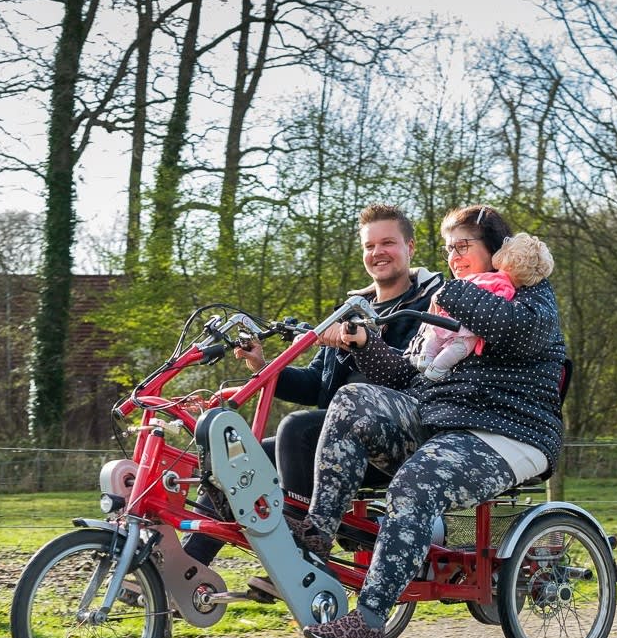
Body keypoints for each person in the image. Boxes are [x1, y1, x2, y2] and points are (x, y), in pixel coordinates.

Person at [291, 204, 567, 638]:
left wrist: (457, 290)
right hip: (441, 422)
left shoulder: (529, 294)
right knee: (353, 399)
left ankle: (369, 620)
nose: (454, 257)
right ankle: (317, 533)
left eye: (464, 247)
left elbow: (514, 329)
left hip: (507, 431)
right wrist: (365, 343)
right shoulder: (456, 300)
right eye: (449, 250)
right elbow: (409, 376)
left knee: (414, 486)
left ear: (497, 251)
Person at [181, 203, 437, 567]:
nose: (377, 253)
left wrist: (360, 342)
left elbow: (411, 374)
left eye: (388, 243)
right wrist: (263, 365)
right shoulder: (350, 309)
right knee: (237, 458)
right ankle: (187, 567)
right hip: (334, 434)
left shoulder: (429, 304)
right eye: (369, 246)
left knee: (297, 428)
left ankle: (299, 556)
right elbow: (316, 383)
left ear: (410, 247)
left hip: (397, 437)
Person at [406, 232, 553, 380]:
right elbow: (497, 309)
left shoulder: (480, 275)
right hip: (467, 327)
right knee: (461, 347)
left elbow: (464, 286)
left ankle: (425, 357)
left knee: (436, 336)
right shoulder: (508, 288)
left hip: (448, 316)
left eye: (463, 246)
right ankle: (437, 369)